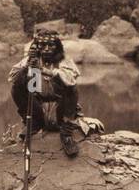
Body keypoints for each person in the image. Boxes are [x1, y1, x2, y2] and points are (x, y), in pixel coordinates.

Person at [9, 30, 103, 158]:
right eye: (43, 46)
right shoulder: (32, 60)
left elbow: (70, 80)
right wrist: (27, 67)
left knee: (71, 88)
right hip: (38, 109)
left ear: (57, 47)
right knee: (17, 87)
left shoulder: (64, 60)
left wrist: (47, 71)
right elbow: (12, 80)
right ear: (37, 47)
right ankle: (34, 124)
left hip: (61, 108)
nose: (47, 49)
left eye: (51, 45)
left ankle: (66, 133)